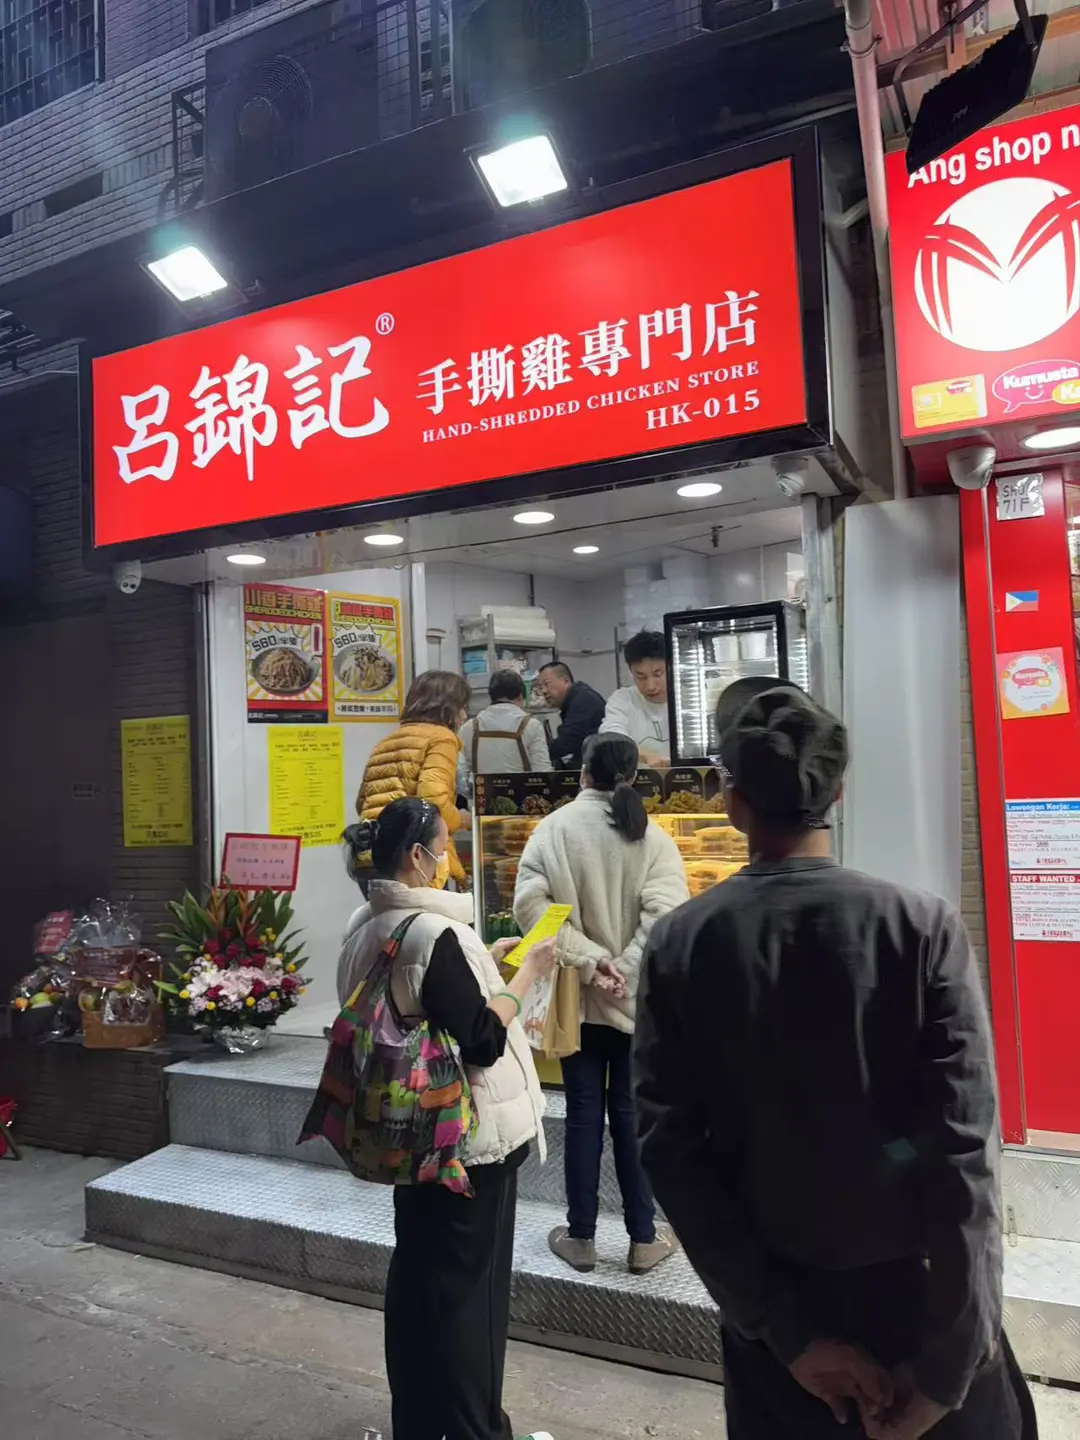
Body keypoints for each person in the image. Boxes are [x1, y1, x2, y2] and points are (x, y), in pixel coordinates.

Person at [634, 688, 1036, 1440]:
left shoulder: (681, 944)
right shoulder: (922, 928)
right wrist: (950, 1367)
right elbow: (963, 1154)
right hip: (919, 1302)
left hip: (780, 1326)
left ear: (731, 798)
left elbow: (672, 1157)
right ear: (838, 792)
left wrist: (787, 1335)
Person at [338, 797, 556, 1440]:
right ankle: (476, 1429)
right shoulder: (436, 934)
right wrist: (526, 977)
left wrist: (488, 961)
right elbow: (484, 1041)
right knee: (471, 1294)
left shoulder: (363, 924)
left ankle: (421, 1422)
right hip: (464, 1139)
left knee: (419, 1279)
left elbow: (417, 1000)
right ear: (417, 856)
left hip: (405, 1136)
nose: (453, 857)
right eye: (446, 844)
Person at [514, 733, 688, 1275]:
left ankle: (581, 1237)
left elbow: (531, 911)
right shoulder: (653, 837)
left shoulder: (553, 830)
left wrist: (591, 963)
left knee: (584, 1115)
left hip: (577, 1003)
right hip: (636, 1005)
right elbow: (667, 915)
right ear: (633, 775)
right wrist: (626, 969)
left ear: (583, 772)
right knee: (634, 1118)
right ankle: (643, 1239)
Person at [355, 669, 471, 885]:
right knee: (424, 918)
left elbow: (362, 802)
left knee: (388, 918)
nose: (464, 715)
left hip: (373, 857)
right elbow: (433, 801)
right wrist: (462, 819)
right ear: (449, 708)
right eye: (462, 706)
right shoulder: (442, 739)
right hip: (413, 859)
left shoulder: (387, 741)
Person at [459, 669, 552, 793]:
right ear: (520, 696)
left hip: (481, 804)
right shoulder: (532, 725)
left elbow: (461, 777)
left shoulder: (469, 727)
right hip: (523, 803)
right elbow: (542, 773)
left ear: (491, 695)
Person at [601, 630, 671, 766]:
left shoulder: (689, 698)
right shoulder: (622, 699)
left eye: (658, 674)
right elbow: (612, 739)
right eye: (641, 677)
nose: (650, 686)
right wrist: (646, 756)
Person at [537, 661, 605, 771]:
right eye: (540, 687)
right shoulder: (576, 698)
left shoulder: (583, 699)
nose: (544, 691)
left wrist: (537, 754)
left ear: (565, 681)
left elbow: (568, 740)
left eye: (547, 684)